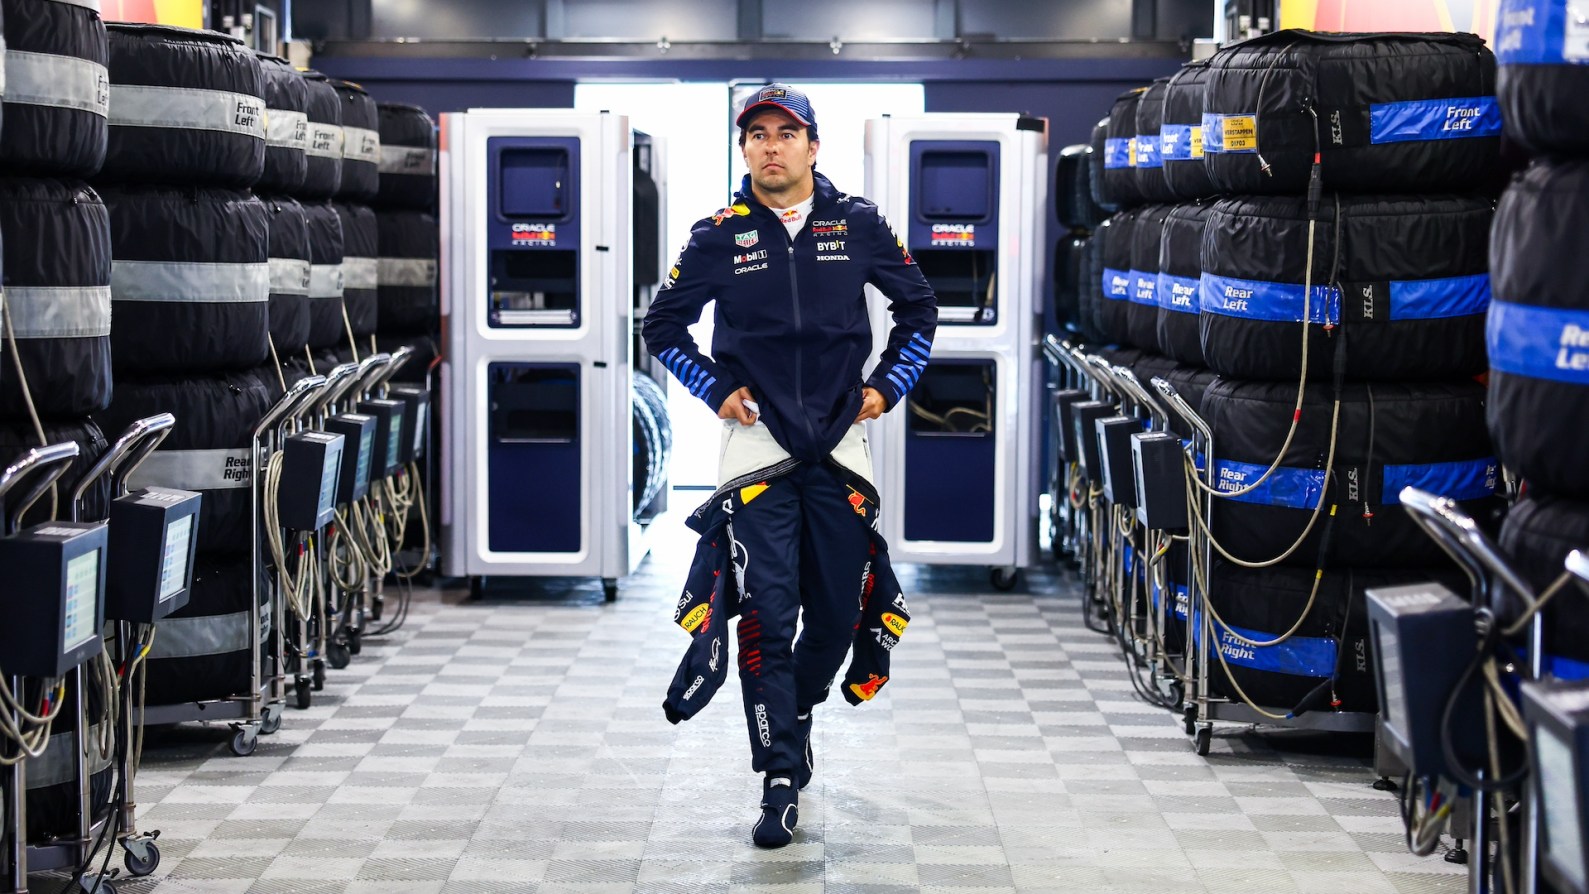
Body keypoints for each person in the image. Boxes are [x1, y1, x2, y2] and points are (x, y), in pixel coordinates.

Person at [643, 84, 937, 848]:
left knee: (835, 615)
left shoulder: (859, 223)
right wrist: (714, 389)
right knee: (768, 615)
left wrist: (885, 387)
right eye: (757, 135)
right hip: (758, 446)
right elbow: (662, 328)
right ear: (743, 150)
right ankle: (777, 773)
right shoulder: (718, 235)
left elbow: (920, 312)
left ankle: (799, 712)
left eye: (786, 133)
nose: (770, 146)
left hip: (841, 445)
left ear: (813, 146)